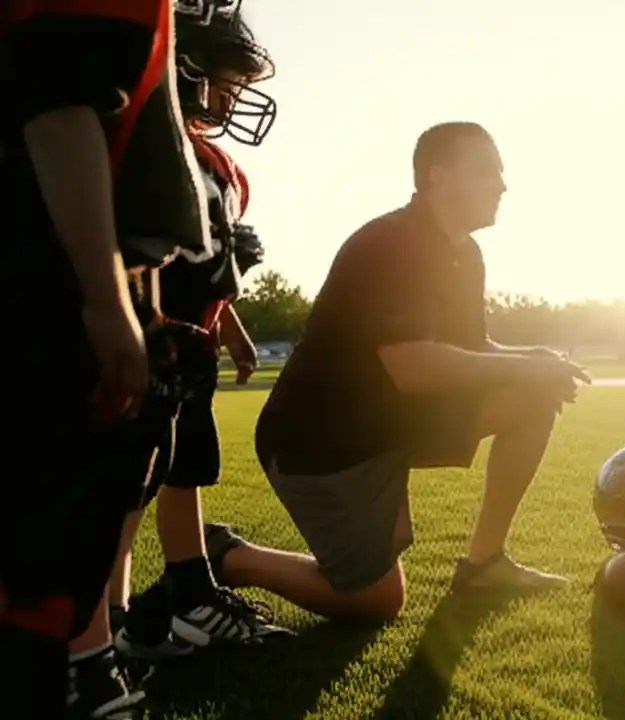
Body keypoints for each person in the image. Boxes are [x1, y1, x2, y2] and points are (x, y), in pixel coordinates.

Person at [203, 121, 591, 623]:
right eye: (487, 171)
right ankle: (228, 555)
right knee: (376, 602)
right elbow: (414, 368)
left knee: (534, 394)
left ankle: (483, 565)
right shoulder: (391, 244)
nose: (502, 184)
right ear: (439, 178)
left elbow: (470, 349)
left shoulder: (464, 253)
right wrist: (522, 366)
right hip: (324, 444)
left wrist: (532, 358)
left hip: (387, 422)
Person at [0, 1, 215, 716]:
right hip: (41, 283)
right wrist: (105, 294)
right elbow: (59, 103)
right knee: (36, 575)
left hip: (65, 272)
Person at [90, 7, 289, 672]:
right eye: (225, 83)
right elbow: (155, 258)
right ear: (187, 69)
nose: (233, 99)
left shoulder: (209, 160)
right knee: (126, 486)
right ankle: (111, 624)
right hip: (149, 338)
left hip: (187, 344)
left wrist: (229, 325)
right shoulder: (154, 144)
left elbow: (201, 270)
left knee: (160, 476)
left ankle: (141, 612)